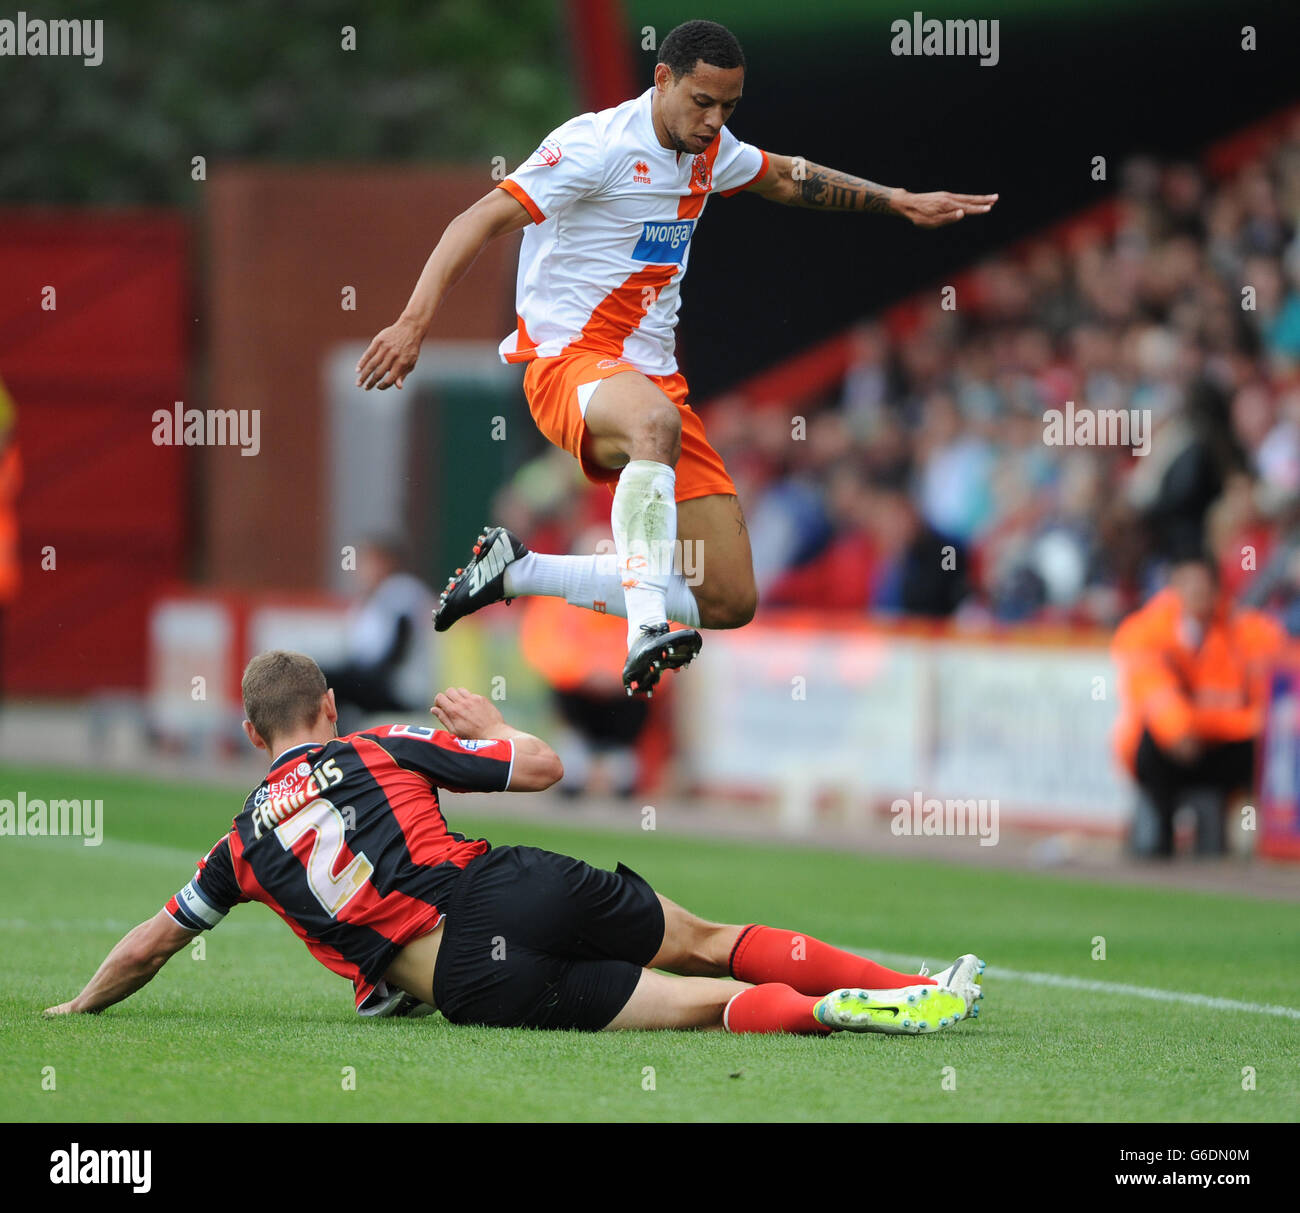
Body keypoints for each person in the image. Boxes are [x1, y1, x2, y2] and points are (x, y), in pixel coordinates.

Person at [355, 19, 997, 695]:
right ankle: (644, 629)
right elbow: (478, 219)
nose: (714, 120)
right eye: (702, 102)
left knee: (729, 598)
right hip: (568, 364)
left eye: (729, 107)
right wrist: (412, 323)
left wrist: (897, 201)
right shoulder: (594, 145)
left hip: (655, 387)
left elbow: (786, 177)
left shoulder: (710, 148)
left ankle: (520, 571)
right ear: (663, 80)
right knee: (652, 425)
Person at [44, 650, 985, 1035]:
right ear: (329, 707)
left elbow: (150, 944)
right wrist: (491, 725)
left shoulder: (241, 846)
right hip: (509, 886)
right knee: (709, 939)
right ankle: (914, 985)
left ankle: (834, 1014)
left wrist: (80, 1004)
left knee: (703, 1007)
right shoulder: (378, 744)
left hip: (467, 979)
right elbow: (542, 767)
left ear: (254, 735)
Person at [1111, 556, 1283, 856]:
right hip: (1169, 750)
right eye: (1188, 584)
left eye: (1203, 585)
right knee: (1153, 743)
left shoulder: (1248, 631)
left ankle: (1259, 843)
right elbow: (1154, 692)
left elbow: (1275, 690)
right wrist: (1181, 729)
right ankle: (1157, 842)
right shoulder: (1148, 629)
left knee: (1262, 752)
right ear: (1173, 588)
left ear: (1218, 590)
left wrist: (1211, 725)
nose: (1196, 593)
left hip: (1223, 745)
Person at [320, 535, 434, 732]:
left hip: (400, 688)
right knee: (325, 680)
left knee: (326, 682)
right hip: (376, 679)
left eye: (369, 561)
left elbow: (399, 645)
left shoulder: (402, 589)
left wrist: (365, 677)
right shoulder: (371, 599)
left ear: (388, 561)